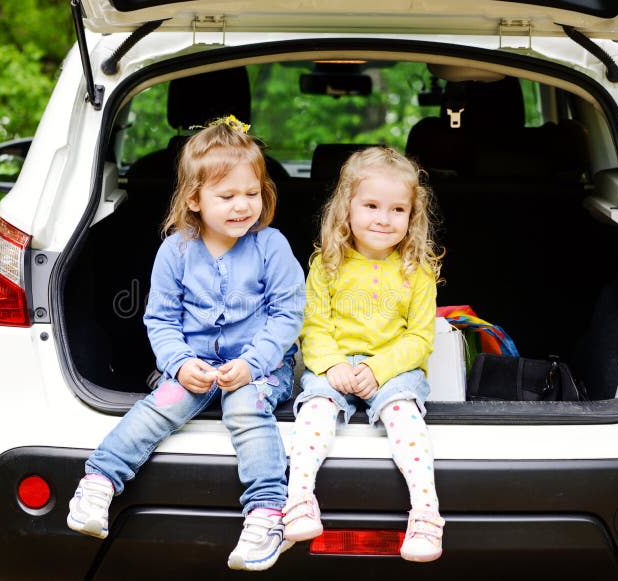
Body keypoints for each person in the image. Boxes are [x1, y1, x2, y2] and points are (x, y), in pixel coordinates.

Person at [66, 116, 306, 572]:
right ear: (194, 199)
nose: (242, 206)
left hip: (260, 368)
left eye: (251, 194)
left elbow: (288, 314)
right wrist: (178, 364)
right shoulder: (175, 250)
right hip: (194, 365)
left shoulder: (271, 246)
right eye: (227, 196)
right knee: (161, 406)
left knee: (246, 410)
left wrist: (253, 364)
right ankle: (99, 481)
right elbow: (159, 318)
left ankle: (266, 514)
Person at [283, 146, 445, 562]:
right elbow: (313, 326)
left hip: (394, 367)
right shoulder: (326, 265)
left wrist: (378, 368)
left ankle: (426, 515)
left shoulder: (417, 271)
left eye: (397, 209)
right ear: (346, 209)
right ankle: (299, 500)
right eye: (371, 205)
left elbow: (419, 338)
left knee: (404, 417)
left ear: (412, 216)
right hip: (334, 363)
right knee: (314, 410)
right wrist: (334, 364)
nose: (382, 218)